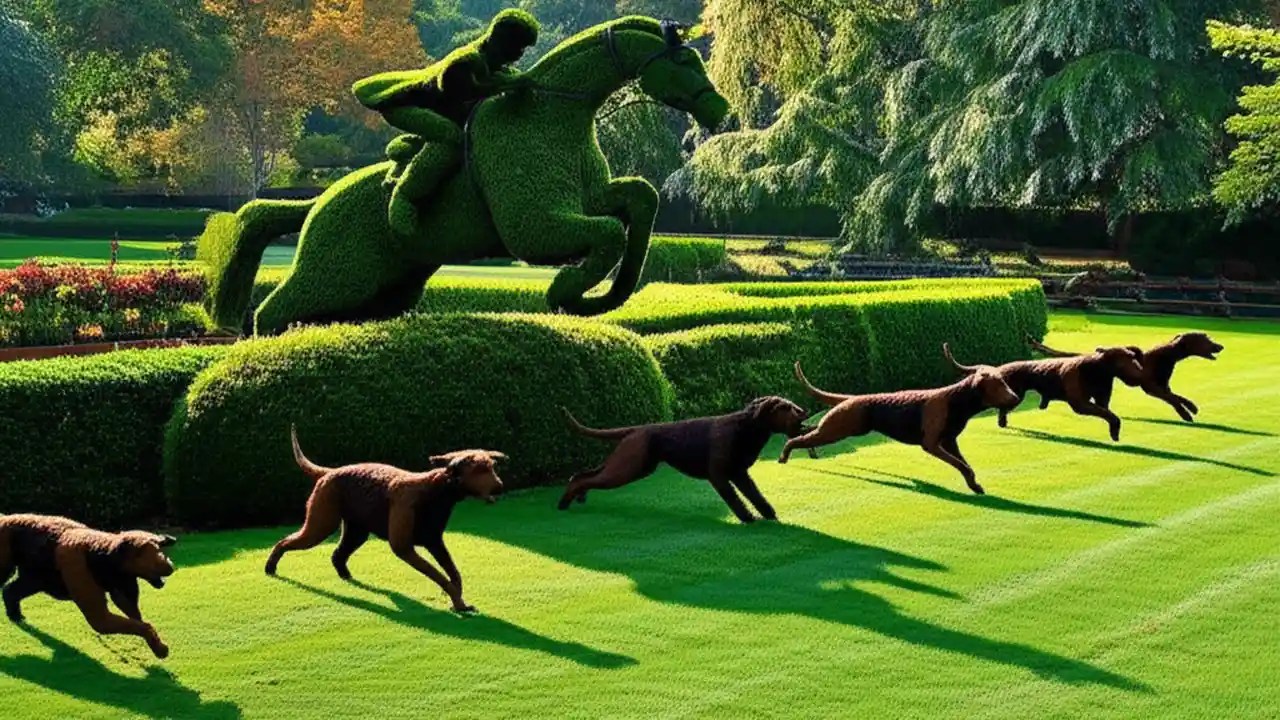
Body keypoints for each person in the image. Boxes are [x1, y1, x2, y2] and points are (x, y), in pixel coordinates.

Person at [353, 9, 540, 237]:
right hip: (404, 106)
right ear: (502, 42)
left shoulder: (495, 64)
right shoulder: (467, 61)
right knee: (451, 137)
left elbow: (505, 81)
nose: (519, 55)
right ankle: (405, 196)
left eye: (523, 49)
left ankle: (410, 151)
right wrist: (506, 85)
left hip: (437, 108)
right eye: (518, 48)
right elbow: (458, 92)